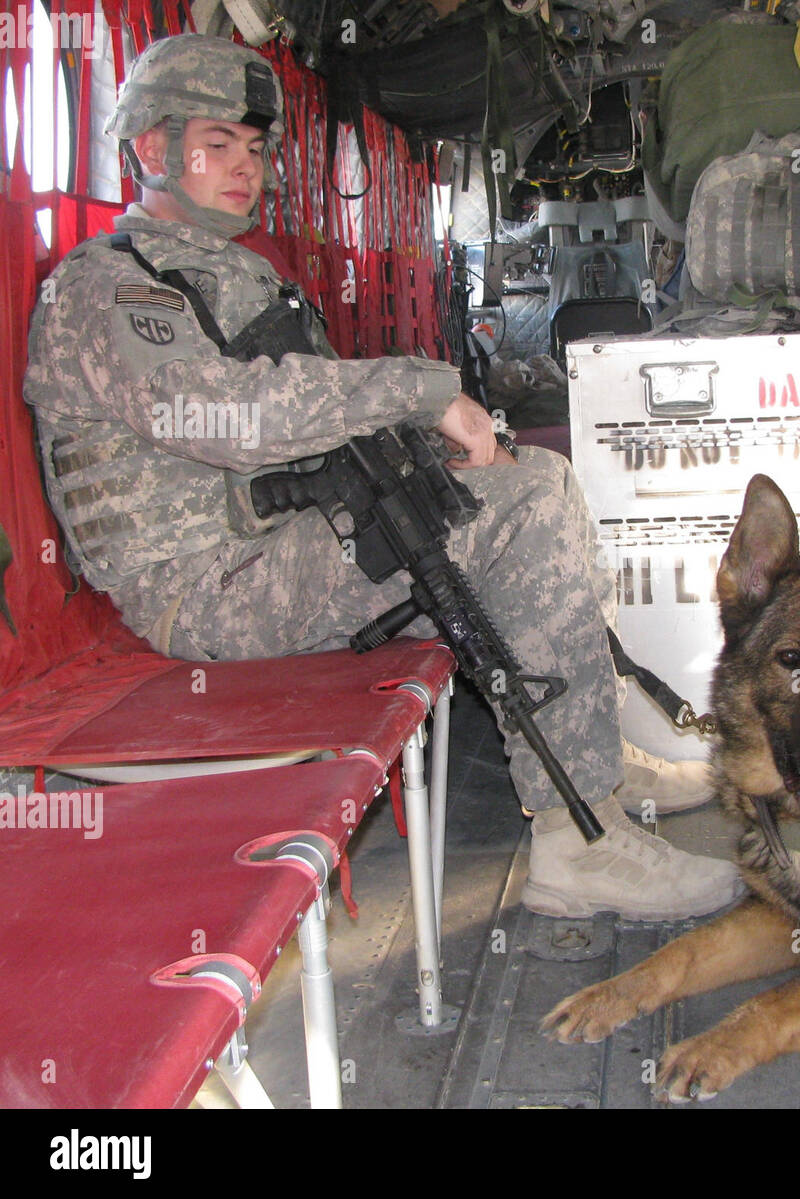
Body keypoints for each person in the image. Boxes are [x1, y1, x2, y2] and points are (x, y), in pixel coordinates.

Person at [24, 33, 742, 922]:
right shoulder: (107, 289)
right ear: (148, 151)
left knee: (535, 479)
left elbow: (323, 426)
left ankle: (592, 743)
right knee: (516, 513)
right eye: (217, 146)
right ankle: (576, 838)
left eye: (255, 150)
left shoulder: (233, 273)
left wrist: (437, 440)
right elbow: (238, 419)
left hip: (275, 548)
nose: (244, 169)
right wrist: (427, 389)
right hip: (207, 591)